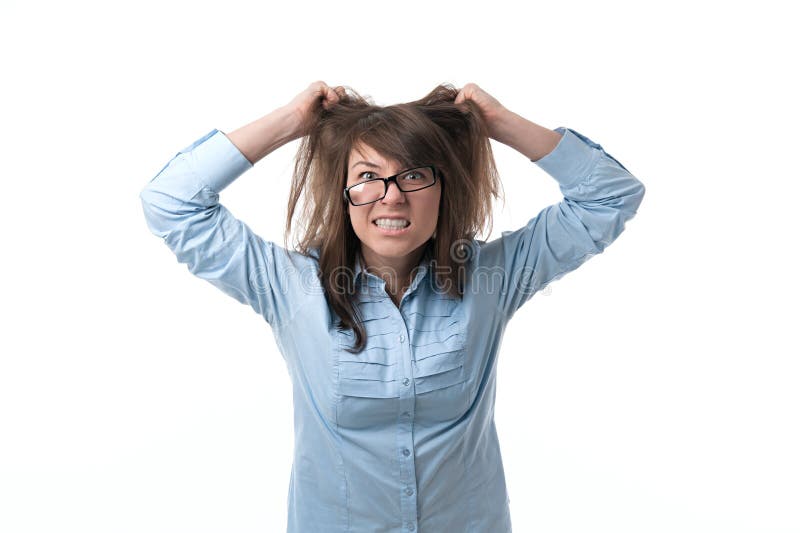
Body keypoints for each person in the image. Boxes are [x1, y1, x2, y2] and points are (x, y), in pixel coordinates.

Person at [139, 81, 646, 532]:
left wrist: (500, 125)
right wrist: (292, 123)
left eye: (414, 176)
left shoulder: (491, 279)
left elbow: (610, 198)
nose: (392, 197)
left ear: (443, 189)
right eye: (367, 176)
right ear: (344, 195)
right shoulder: (291, 287)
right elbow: (171, 201)